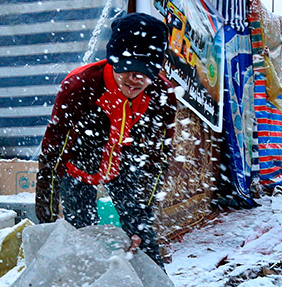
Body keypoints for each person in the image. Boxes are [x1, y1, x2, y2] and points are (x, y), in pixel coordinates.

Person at [35, 12, 178, 268]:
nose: (135, 80)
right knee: (82, 242)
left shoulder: (162, 95)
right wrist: (46, 219)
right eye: (127, 68)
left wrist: (141, 214)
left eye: (145, 72)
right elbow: (52, 155)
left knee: (143, 239)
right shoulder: (80, 86)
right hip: (80, 163)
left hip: (126, 161)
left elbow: (158, 159)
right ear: (113, 60)